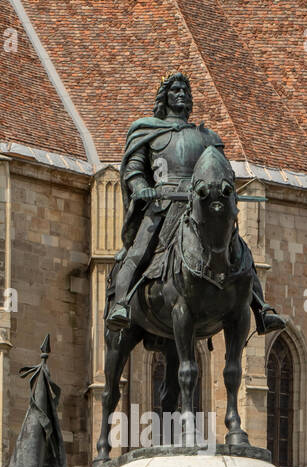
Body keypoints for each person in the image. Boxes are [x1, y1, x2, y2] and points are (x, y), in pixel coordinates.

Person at [103, 72, 285, 336]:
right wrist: (143, 188)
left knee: (239, 250)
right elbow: (134, 169)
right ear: (165, 96)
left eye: (186, 91)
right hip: (163, 204)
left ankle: (261, 308)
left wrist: (224, 191)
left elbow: (222, 172)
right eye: (176, 90)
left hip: (197, 203)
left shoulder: (207, 137)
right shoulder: (148, 131)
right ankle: (120, 305)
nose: (182, 94)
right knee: (138, 251)